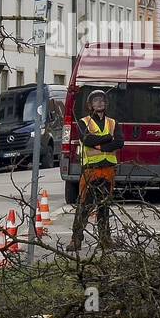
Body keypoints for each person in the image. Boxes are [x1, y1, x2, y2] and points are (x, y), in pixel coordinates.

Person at [69, 88, 124, 252]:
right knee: (84, 206)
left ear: (106, 104)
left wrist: (99, 144)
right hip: (90, 170)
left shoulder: (113, 122)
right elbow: (86, 139)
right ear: (90, 105)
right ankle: (76, 240)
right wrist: (108, 138)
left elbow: (120, 142)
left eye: (102, 100)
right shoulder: (83, 122)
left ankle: (105, 240)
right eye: (96, 100)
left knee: (104, 207)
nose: (99, 103)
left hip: (108, 170)